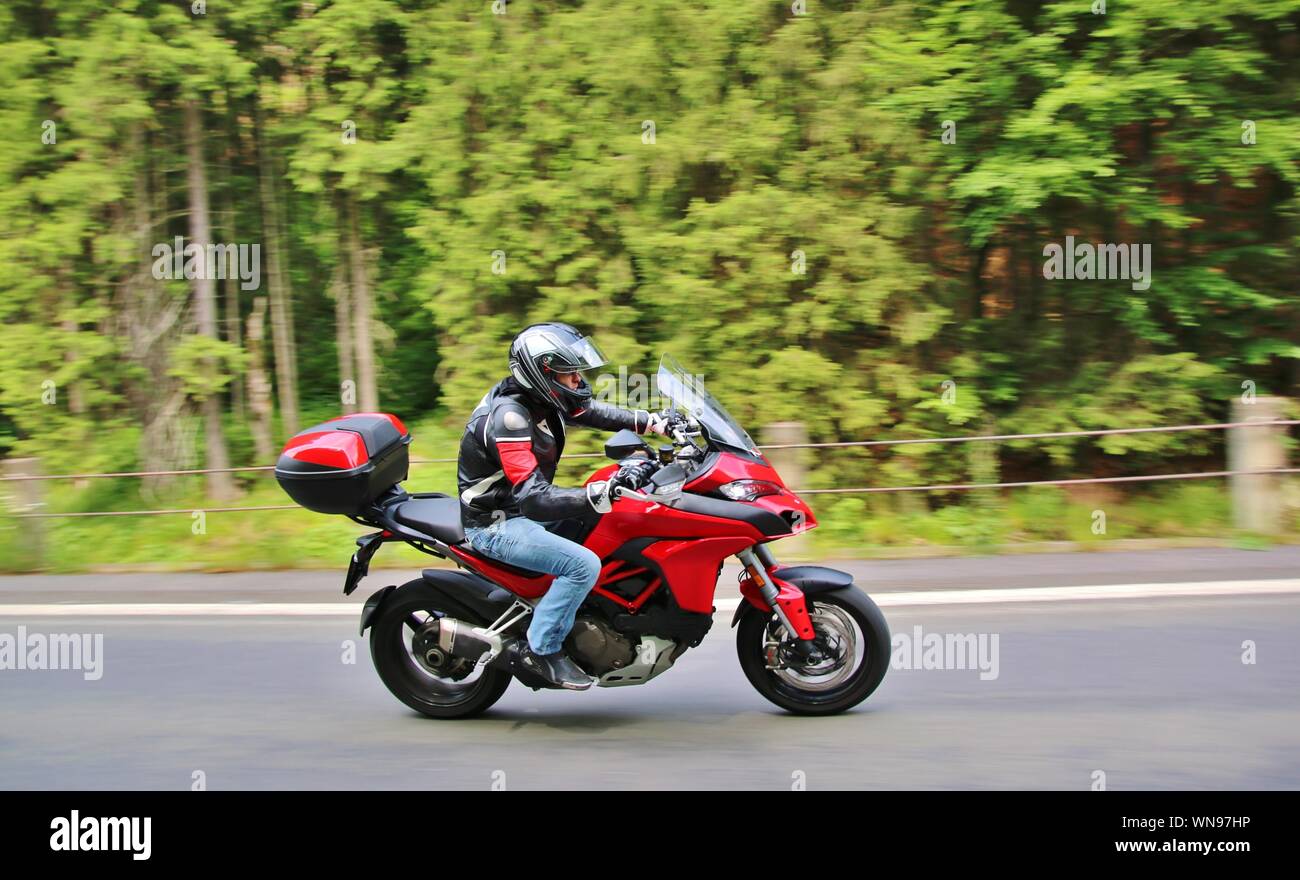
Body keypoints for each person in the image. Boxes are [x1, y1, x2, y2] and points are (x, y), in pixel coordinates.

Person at [456, 323, 684, 689]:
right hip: (497, 523)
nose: (578, 380)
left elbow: (593, 412)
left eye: (578, 371)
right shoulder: (510, 419)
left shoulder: (543, 397)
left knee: (615, 526)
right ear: (542, 372)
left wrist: (653, 422)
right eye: (569, 372)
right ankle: (542, 650)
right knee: (582, 565)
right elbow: (533, 498)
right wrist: (601, 490)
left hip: (523, 511)